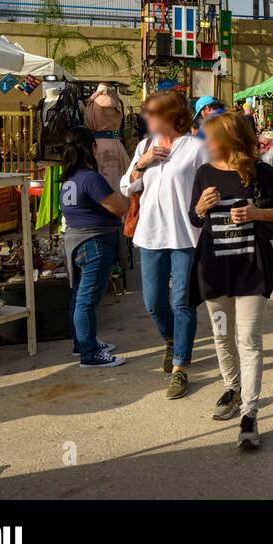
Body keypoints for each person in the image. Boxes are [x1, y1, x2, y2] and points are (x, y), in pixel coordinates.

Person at [188, 112, 273, 450]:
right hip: (214, 270)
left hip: (251, 270)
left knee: (248, 339)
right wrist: (201, 207)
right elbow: (193, 216)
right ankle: (231, 388)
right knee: (221, 335)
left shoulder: (262, 173)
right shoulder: (204, 173)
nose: (205, 143)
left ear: (229, 140)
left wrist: (256, 213)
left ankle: (250, 412)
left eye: (211, 137)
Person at [121, 90, 208, 399]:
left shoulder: (196, 149)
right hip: (150, 235)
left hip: (186, 236)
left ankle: (181, 367)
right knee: (153, 301)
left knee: (182, 301)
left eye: (152, 113)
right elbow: (126, 186)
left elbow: (211, 185)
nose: (147, 118)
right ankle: (171, 339)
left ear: (172, 116)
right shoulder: (145, 146)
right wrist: (142, 163)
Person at [60, 126, 129, 368]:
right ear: (91, 148)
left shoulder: (70, 179)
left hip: (76, 242)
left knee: (79, 297)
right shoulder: (90, 178)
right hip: (94, 243)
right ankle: (89, 354)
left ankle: (83, 344)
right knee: (86, 301)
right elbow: (120, 208)